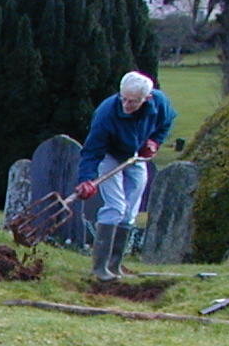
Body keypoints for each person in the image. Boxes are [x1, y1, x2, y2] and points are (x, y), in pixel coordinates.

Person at [74, 70, 177, 281]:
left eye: (133, 101)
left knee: (130, 210)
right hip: (109, 156)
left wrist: (155, 141)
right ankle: (100, 268)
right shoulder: (106, 114)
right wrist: (85, 179)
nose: (126, 105)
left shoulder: (159, 103)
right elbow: (92, 151)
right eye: (124, 99)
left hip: (135, 156)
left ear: (147, 98)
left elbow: (167, 121)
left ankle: (115, 265)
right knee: (116, 206)